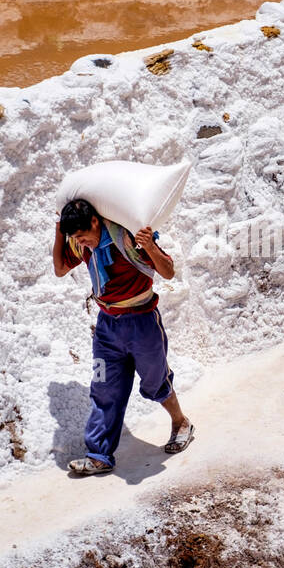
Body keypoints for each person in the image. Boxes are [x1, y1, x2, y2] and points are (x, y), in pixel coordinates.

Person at [52, 198, 194, 475]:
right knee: (104, 388)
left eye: (83, 235)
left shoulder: (128, 238)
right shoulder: (80, 245)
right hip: (107, 328)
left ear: (95, 222)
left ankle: (181, 423)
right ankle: (99, 456)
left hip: (143, 323)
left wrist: (151, 246)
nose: (82, 243)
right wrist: (60, 227)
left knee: (156, 382)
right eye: (76, 238)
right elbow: (59, 269)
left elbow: (167, 271)